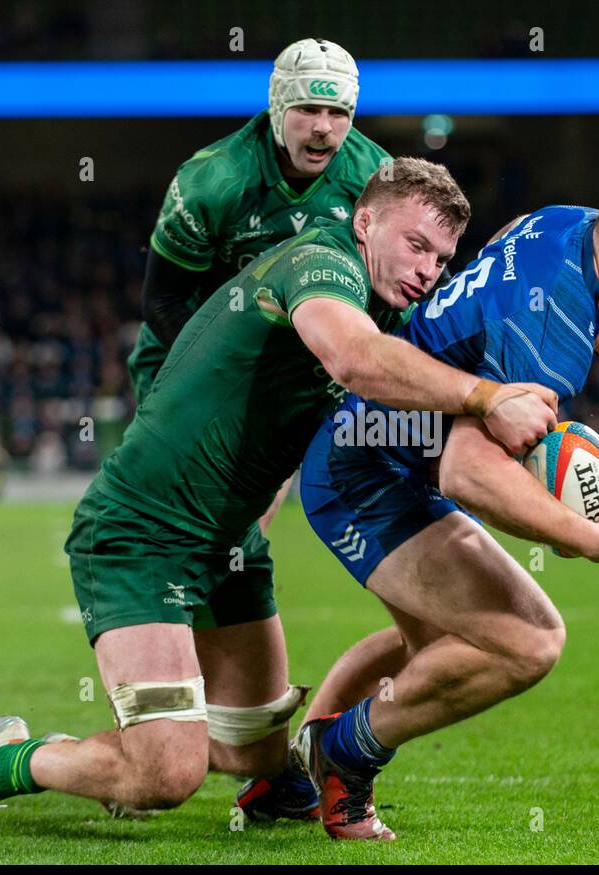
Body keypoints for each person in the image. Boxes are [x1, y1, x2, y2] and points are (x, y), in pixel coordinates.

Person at [0, 157, 562, 835]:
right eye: (416, 244)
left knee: (254, 753)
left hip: (229, 544)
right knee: (167, 775)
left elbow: (483, 302)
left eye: (442, 256)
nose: (429, 268)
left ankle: (161, 760)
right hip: (143, 532)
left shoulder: (386, 304)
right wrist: (488, 397)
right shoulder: (322, 264)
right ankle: (5, 760)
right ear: (364, 221)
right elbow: (355, 361)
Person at [260, 145, 599, 840]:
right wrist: (592, 539)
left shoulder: (568, 223)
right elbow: (470, 473)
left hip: (376, 446)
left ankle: (286, 780)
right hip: (367, 468)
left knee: (437, 641)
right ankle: (344, 752)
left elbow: (514, 274)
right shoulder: (550, 327)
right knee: (530, 640)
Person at [131, 37, 389, 531]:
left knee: (242, 526)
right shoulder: (212, 181)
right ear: (277, 107)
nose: (322, 127)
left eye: (337, 111)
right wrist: (230, 376)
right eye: (307, 108)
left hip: (292, 371)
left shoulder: (375, 180)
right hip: (191, 358)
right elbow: (163, 299)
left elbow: (395, 285)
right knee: (175, 520)